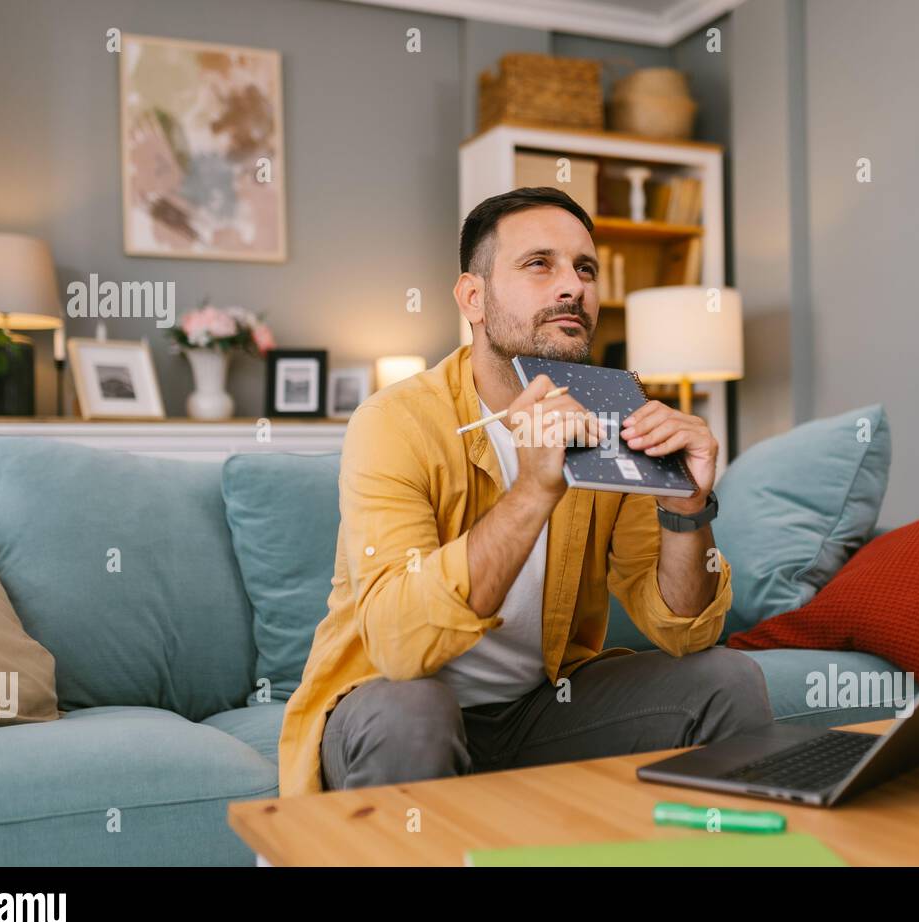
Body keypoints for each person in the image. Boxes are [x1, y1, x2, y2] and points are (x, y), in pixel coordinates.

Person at [278, 187, 772, 796]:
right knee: (416, 713)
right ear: (474, 298)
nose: (573, 286)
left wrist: (686, 508)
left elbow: (685, 630)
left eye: (585, 268)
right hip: (390, 703)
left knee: (729, 680)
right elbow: (401, 650)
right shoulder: (395, 421)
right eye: (540, 264)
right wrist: (536, 488)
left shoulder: (614, 412)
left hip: (539, 709)